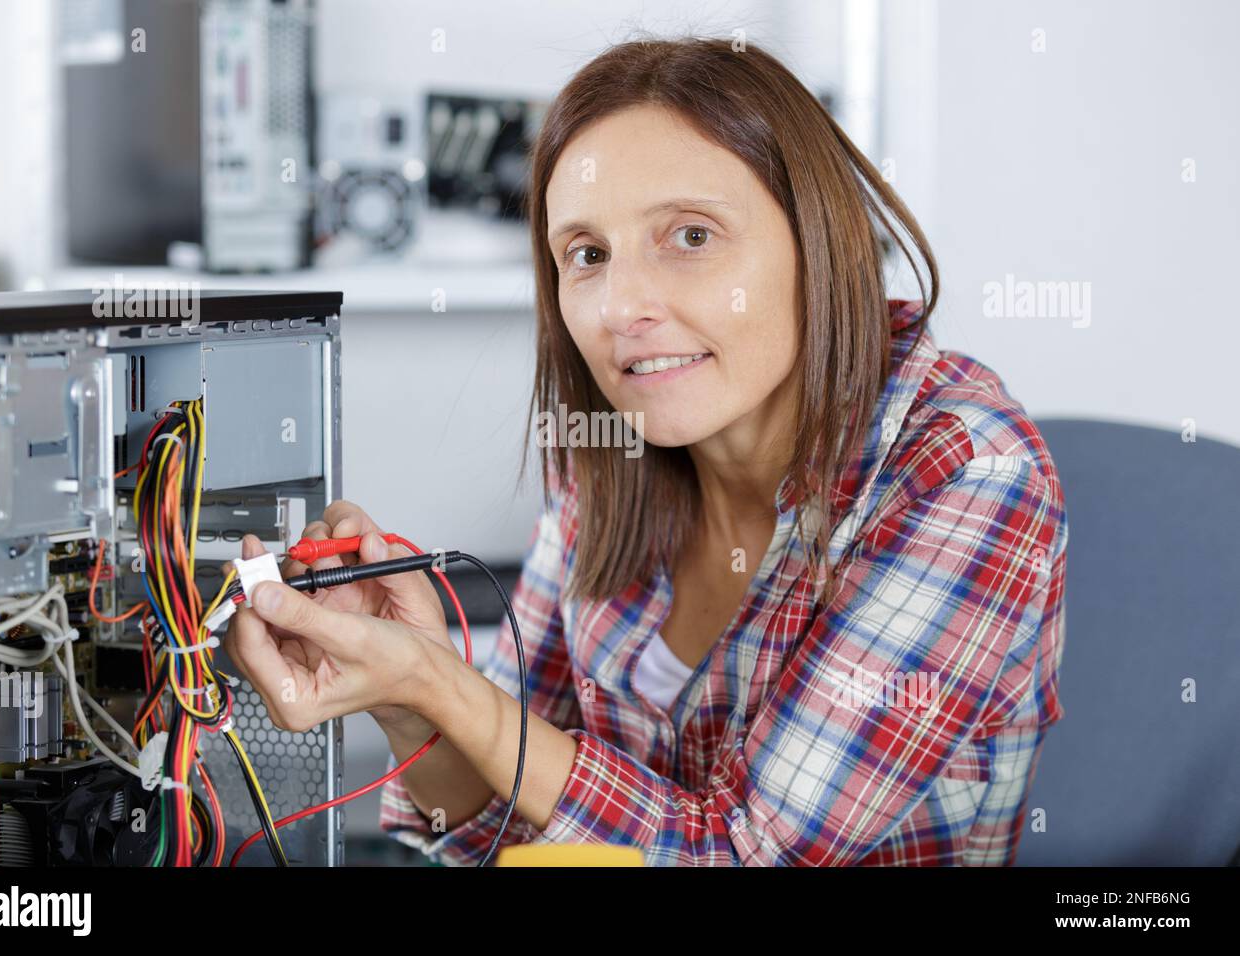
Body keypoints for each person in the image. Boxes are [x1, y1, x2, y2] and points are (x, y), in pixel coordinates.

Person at [224, 37, 1068, 866]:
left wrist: (447, 688)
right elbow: (508, 830)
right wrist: (407, 696)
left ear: (820, 242)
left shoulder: (966, 470)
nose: (621, 307)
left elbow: (741, 857)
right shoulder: (604, 457)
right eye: (587, 255)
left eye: (691, 237)